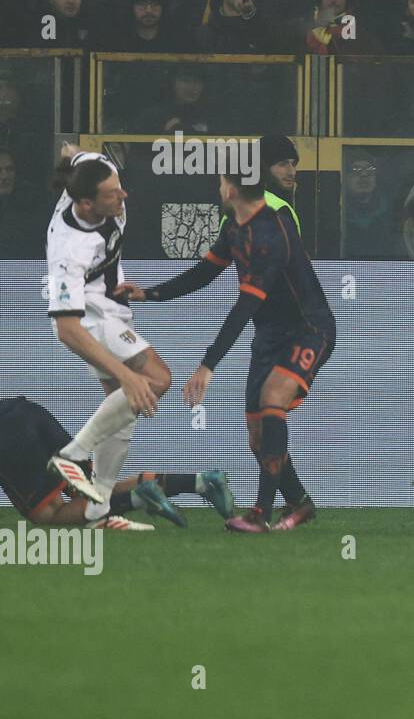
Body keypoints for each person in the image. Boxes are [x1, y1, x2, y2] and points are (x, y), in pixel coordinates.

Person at [117, 141, 337, 533]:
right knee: (257, 434)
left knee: (272, 403)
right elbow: (203, 274)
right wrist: (146, 293)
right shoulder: (236, 228)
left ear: (230, 186)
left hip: (309, 328)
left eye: (221, 180)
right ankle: (300, 502)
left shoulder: (271, 232)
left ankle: (260, 513)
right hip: (270, 334)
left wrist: (207, 366)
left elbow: (244, 307)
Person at [43, 147, 172, 521]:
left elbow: (75, 153)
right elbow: (67, 329)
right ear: (85, 203)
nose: (123, 195)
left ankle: (98, 502)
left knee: (123, 405)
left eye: (120, 187)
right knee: (154, 380)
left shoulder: (92, 171)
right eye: (113, 194)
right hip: (85, 317)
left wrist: (71, 152)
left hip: (107, 303)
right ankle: (71, 455)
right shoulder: (69, 251)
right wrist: (126, 373)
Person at [0, 395, 234, 529]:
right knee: (94, 489)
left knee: (48, 515)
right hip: (27, 410)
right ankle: (201, 482)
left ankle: (139, 496)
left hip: (7, 435)